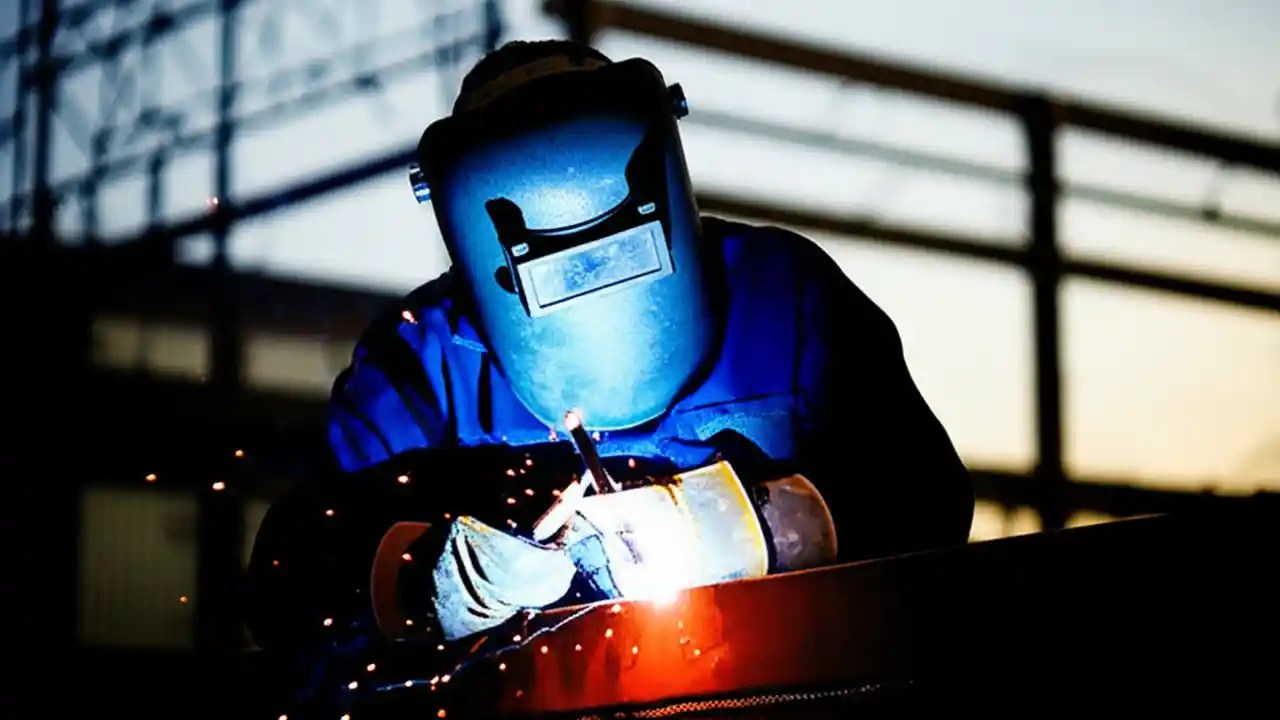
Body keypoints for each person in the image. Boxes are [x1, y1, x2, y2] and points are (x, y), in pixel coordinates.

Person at [245, 37, 973, 705]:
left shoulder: (783, 292)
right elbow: (290, 578)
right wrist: (427, 576)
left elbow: (926, 490)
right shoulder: (426, 357)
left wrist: (758, 523)